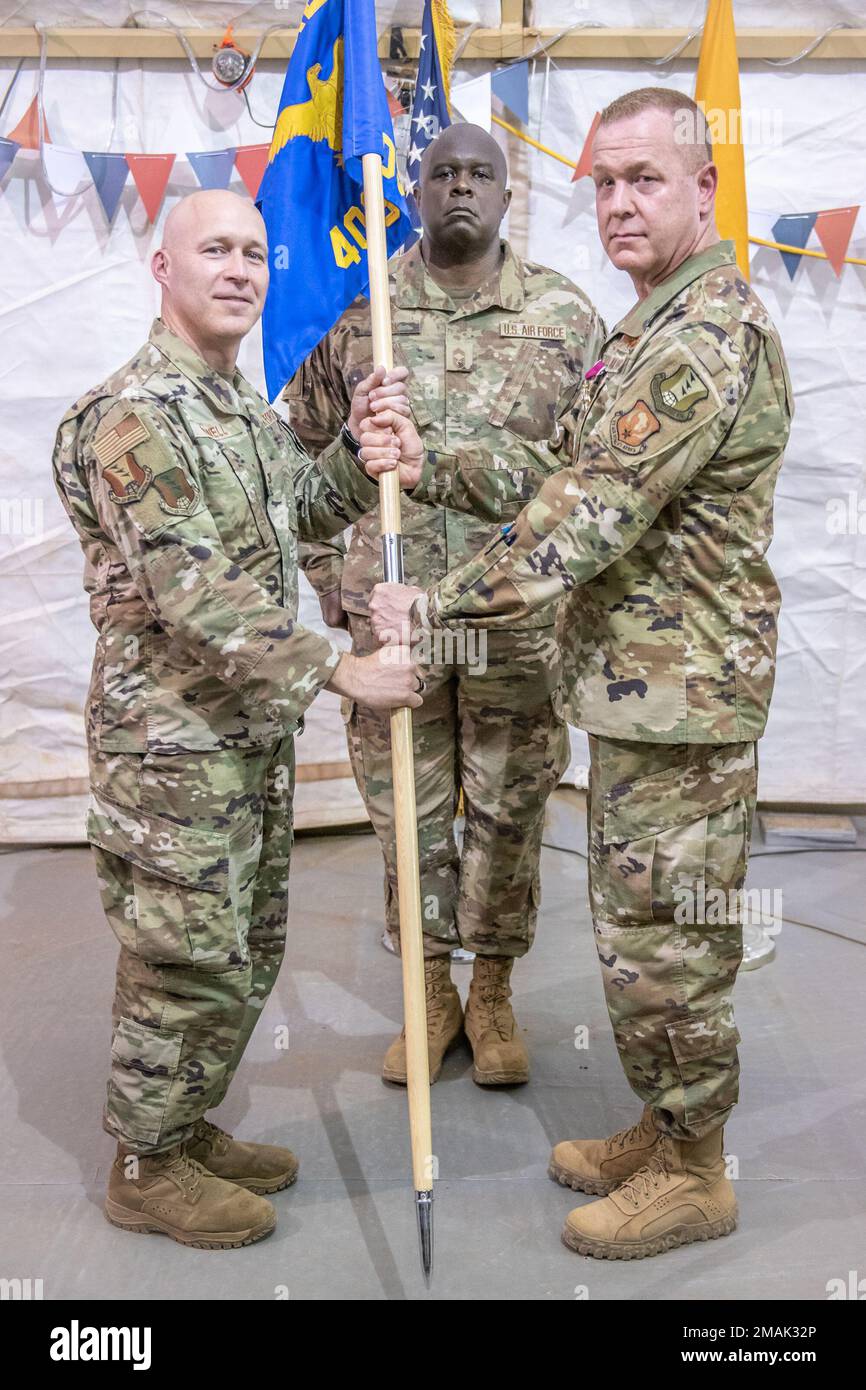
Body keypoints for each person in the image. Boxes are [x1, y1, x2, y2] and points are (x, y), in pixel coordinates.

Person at [363, 89, 792, 1258]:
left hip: (682, 703)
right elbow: (562, 463)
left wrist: (431, 605)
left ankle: (698, 1170)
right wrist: (432, 455)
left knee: (668, 946)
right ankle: (662, 1127)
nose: (615, 203)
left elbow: (583, 514)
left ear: (704, 188)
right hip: (640, 694)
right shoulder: (648, 323)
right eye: (599, 182)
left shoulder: (701, 333)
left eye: (642, 179)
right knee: (635, 930)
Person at [52, 189, 421, 1249]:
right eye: (213, 249)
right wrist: (343, 672)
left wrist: (358, 454)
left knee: (244, 948)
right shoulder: (131, 414)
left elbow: (294, 514)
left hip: (239, 736)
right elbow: (192, 587)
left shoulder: (233, 410)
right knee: (183, 954)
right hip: (169, 746)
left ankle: (184, 1121)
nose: (241, 269)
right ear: (161, 268)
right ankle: (144, 1161)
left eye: (255, 252)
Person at [286, 123, 604, 1089]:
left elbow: (600, 480)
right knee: (407, 820)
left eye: (481, 174)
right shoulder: (363, 316)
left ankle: (494, 991)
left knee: (509, 816)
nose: (460, 187)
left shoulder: (565, 316)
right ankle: (428, 993)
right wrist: (332, 591)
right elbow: (292, 462)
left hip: (516, 631)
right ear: (415, 193)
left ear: (510, 197)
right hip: (397, 634)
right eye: (441, 174)